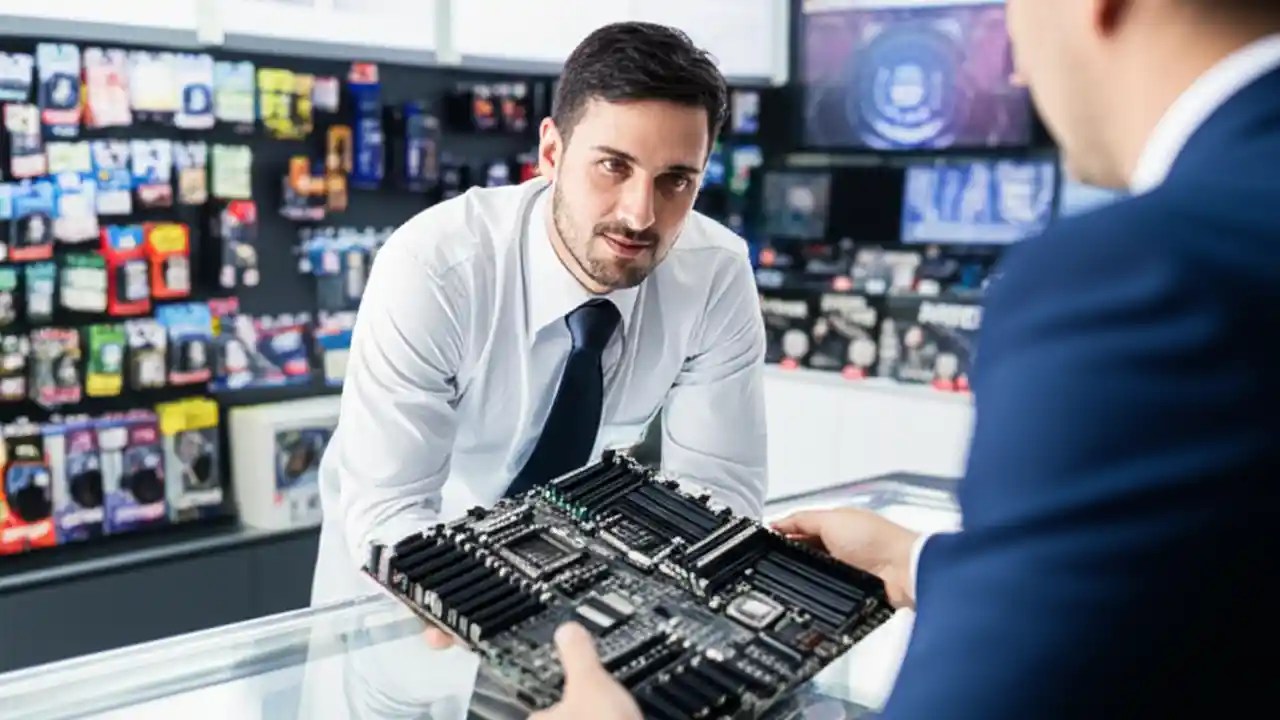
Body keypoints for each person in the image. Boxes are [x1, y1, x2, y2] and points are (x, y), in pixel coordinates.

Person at [538, 0, 1280, 717]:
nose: (1017, 69)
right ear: (552, 153)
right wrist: (917, 563)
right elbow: (1213, 586)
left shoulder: (1132, 278)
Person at [309, 22, 768, 613]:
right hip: (405, 577)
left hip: (572, 573)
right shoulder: (435, 267)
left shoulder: (714, 275)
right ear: (551, 153)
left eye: (676, 181)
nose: (640, 215)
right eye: (614, 166)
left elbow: (718, 493)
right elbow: (392, 509)